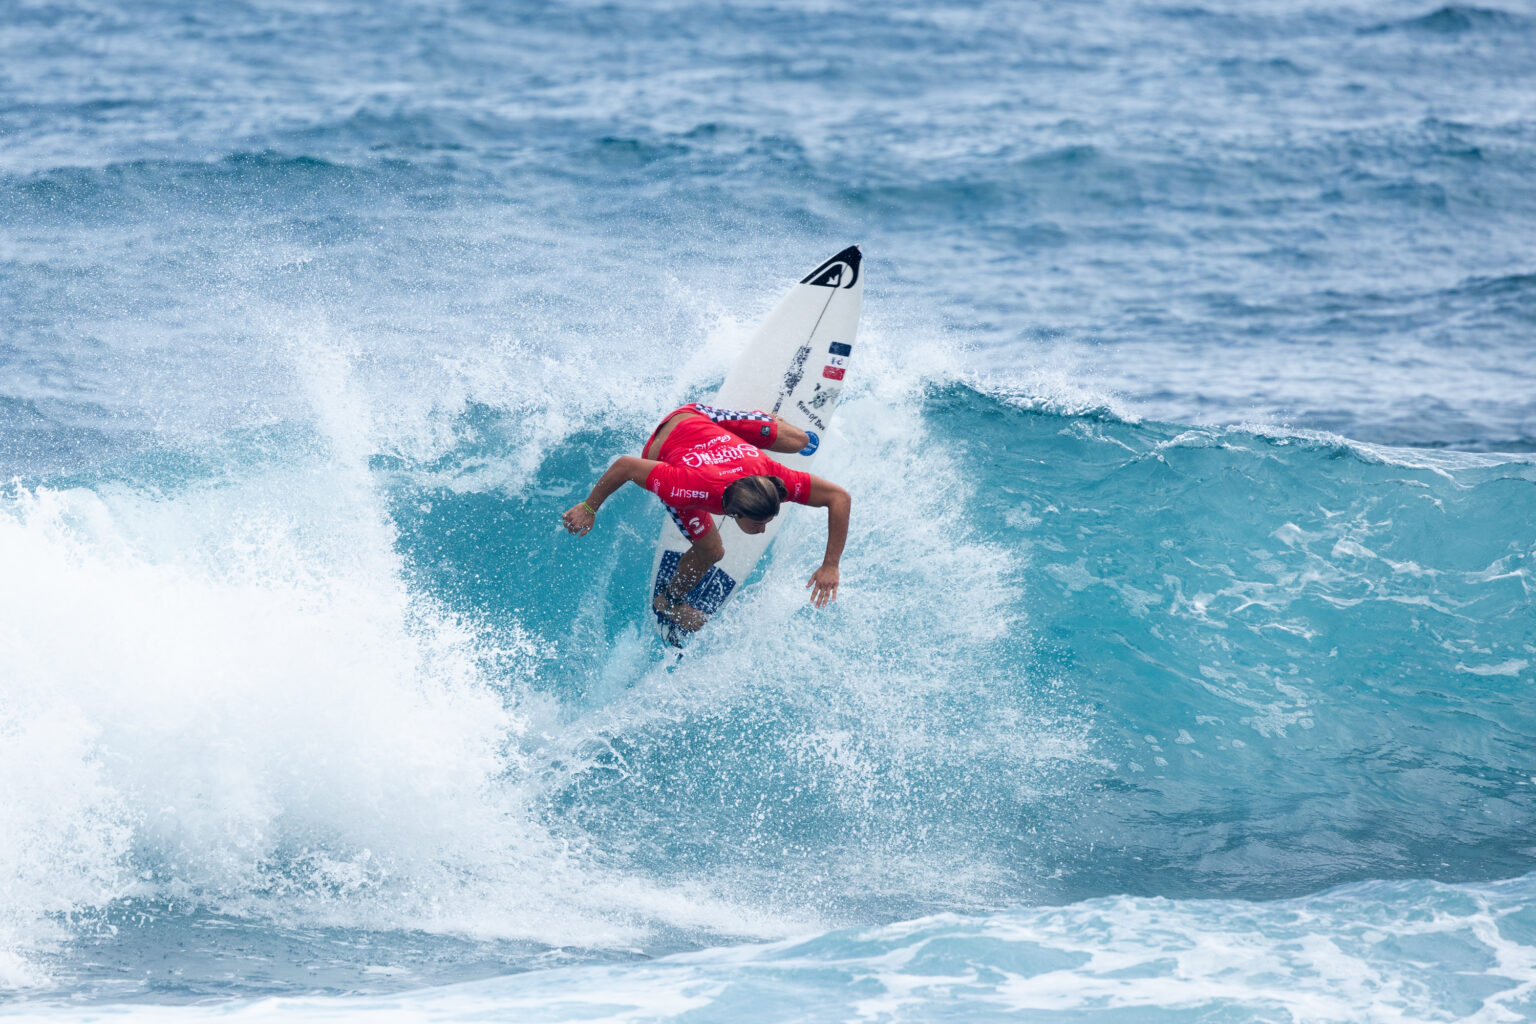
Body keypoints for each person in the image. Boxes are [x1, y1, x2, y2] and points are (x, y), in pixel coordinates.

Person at [562, 402, 851, 632]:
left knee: (801, 440)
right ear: (735, 513)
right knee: (712, 550)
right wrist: (589, 508)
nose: (763, 531)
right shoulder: (684, 487)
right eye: (758, 524)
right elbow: (626, 466)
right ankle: (670, 603)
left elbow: (839, 498)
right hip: (682, 430)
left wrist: (830, 564)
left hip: (713, 433)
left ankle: (763, 420)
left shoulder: (772, 475)